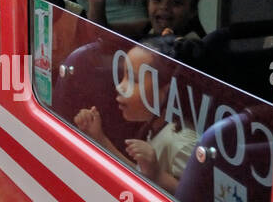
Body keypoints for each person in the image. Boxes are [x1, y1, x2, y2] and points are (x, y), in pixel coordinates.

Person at [74, 40, 197, 193]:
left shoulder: (183, 143)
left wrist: (158, 175)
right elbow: (142, 177)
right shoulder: (157, 126)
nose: (120, 87)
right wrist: (100, 139)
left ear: (166, 91)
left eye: (133, 80)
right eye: (123, 76)